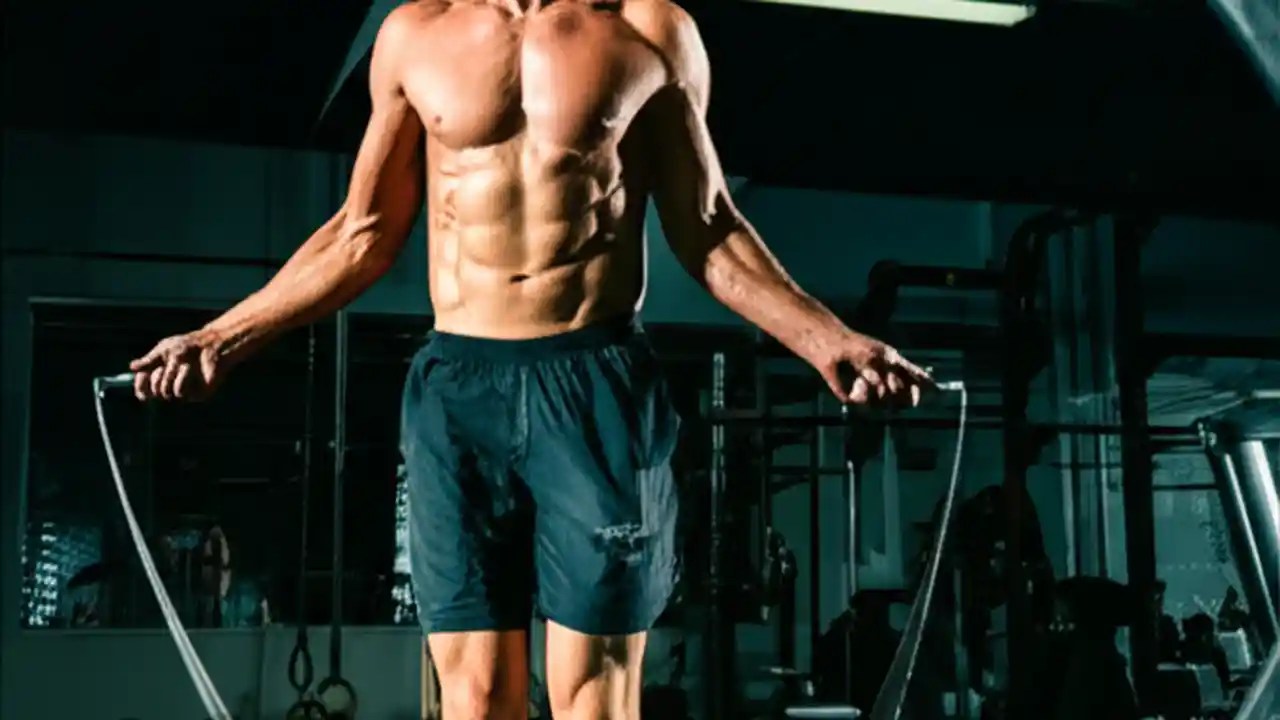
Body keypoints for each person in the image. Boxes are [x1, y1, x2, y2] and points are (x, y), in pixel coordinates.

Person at [129, 1, 934, 717]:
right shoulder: (414, 34)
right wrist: (221, 337)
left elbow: (709, 223)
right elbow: (362, 231)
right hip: (459, 391)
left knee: (592, 697)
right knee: (474, 699)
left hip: (595, 385)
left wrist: (831, 339)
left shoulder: (651, 29)